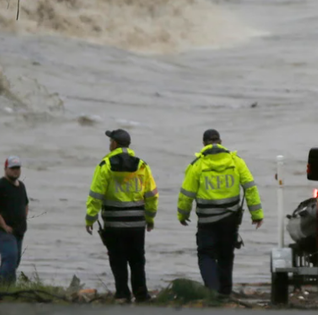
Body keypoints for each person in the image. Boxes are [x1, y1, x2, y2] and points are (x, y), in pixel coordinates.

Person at [177, 129, 264, 298]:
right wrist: (257, 214)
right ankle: (224, 292)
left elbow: (186, 195)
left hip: (207, 220)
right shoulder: (236, 161)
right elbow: (250, 188)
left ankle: (212, 290)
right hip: (230, 218)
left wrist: (183, 215)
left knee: (206, 254)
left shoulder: (197, 165)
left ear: (204, 143)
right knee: (226, 254)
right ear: (221, 141)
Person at [85, 129, 159, 303]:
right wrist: (150, 218)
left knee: (118, 260)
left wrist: (90, 218)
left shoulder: (105, 165)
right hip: (136, 223)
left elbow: (96, 195)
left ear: (115, 144)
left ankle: (122, 294)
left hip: (114, 223)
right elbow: (152, 195)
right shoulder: (142, 165)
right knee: (137, 260)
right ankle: (141, 294)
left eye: (110, 141)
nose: (109, 144)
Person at [0, 155, 29, 285]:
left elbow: (25, 204)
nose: (15, 171)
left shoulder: (21, 186)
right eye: (12, 168)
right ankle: (4, 289)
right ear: (6, 168)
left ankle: (9, 288)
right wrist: (2, 224)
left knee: (14, 261)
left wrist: (23, 221)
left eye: (17, 168)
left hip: (18, 231)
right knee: (10, 255)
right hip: (1, 229)